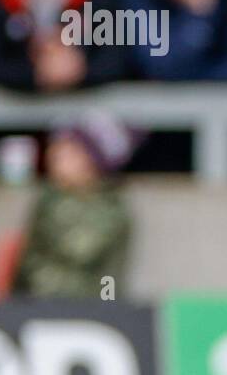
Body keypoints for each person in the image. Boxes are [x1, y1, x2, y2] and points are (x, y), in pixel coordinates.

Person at [10, 115, 135, 299]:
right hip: (37, 303)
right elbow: (27, 261)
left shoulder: (110, 208)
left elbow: (81, 250)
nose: (54, 157)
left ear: (90, 162)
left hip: (92, 304)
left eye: (68, 153)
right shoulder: (49, 198)